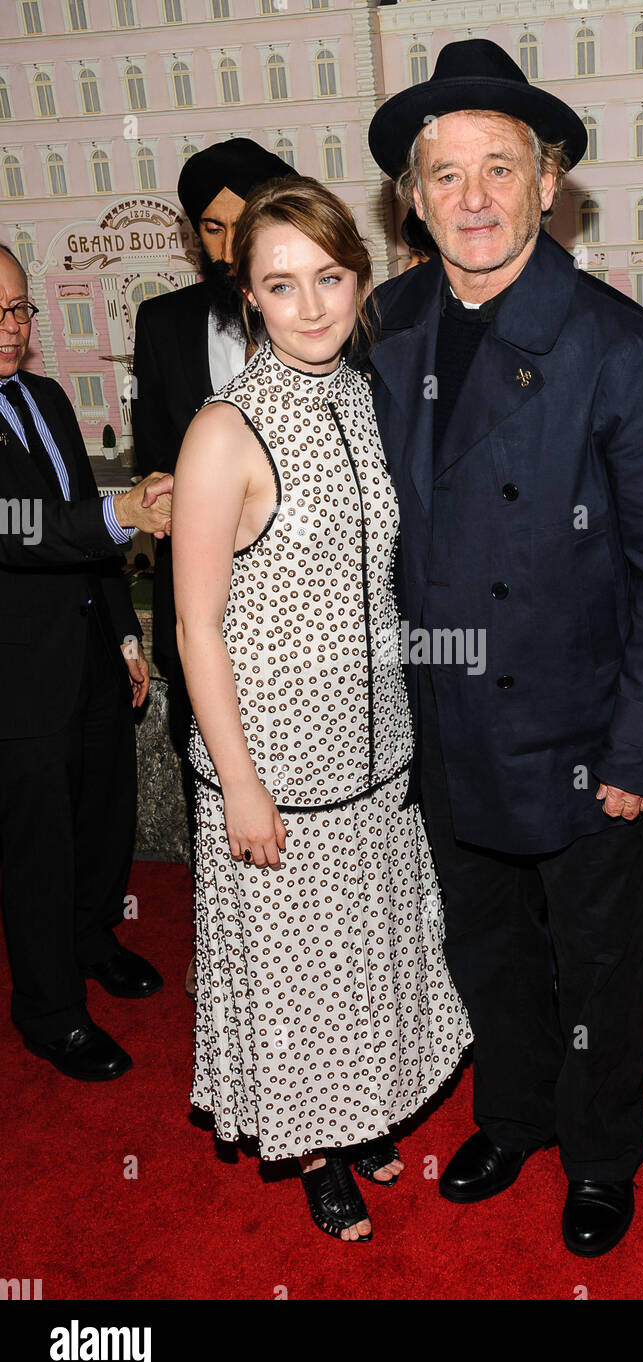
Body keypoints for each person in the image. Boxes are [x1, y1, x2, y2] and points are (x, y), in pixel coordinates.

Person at [364, 40, 643, 1257]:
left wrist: (641, 749)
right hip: (444, 721)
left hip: (579, 732)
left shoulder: (621, 347)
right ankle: (511, 1114)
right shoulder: (386, 325)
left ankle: (602, 1151)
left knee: (602, 962)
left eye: (498, 169)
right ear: (411, 197)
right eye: (445, 173)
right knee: (485, 940)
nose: (472, 198)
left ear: (548, 182)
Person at [170, 177, 471, 1243]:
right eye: (281, 285)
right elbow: (195, 625)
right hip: (278, 769)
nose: (311, 307)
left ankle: (361, 1111)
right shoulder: (224, 431)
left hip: (377, 751)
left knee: (365, 953)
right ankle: (313, 1148)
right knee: (298, 977)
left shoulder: (364, 393)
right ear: (247, 296)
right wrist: (240, 784)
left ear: (359, 276)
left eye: (330, 278)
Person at [0, 244, 173, 1081]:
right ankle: (49, 1011)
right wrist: (124, 510)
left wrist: (125, 636)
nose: (13, 327)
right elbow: (22, 529)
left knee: (105, 809)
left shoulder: (46, 396)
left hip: (91, 653)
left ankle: (93, 936)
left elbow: (81, 533)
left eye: (21, 309)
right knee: (36, 848)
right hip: (16, 681)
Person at [132, 138, 300, 996]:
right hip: (204, 596)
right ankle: (226, 953)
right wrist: (168, 484)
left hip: (303, 615)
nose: (232, 244)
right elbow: (153, 451)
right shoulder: (162, 323)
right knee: (213, 782)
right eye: (213, 228)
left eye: (247, 223)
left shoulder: (317, 309)